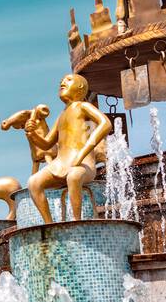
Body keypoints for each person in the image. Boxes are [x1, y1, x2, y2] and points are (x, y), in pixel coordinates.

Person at [26, 73, 111, 223]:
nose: (63, 82)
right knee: (33, 182)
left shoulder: (83, 106)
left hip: (83, 164)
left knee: (74, 176)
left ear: (80, 87)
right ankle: (49, 223)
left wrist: (85, 151)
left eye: (68, 80)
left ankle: (76, 220)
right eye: (62, 81)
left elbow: (106, 123)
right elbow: (46, 144)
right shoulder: (62, 115)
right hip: (59, 163)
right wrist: (32, 134)